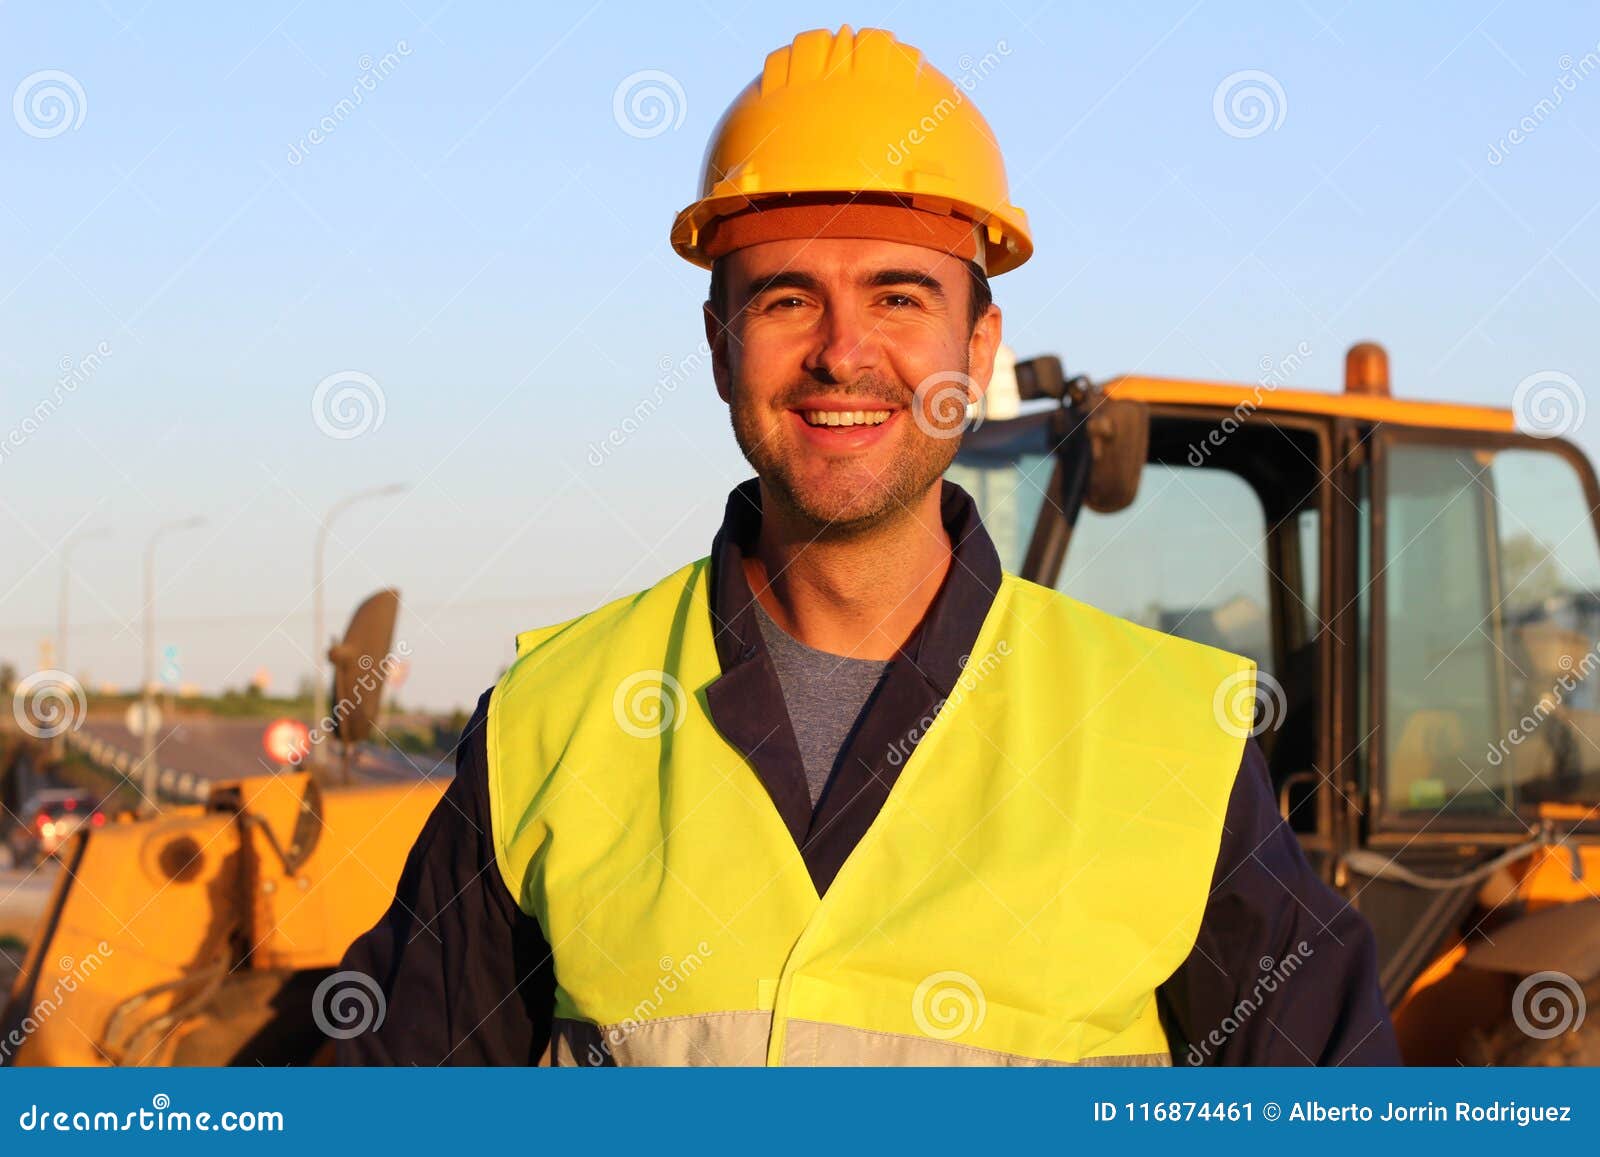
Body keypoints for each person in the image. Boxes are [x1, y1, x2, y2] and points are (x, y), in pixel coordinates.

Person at [338, 25, 1398, 1067]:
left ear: (976, 346)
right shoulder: (549, 722)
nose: (843, 353)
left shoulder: (1174, 744)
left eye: (898, 295)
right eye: (788, 297)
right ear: (719, 346)